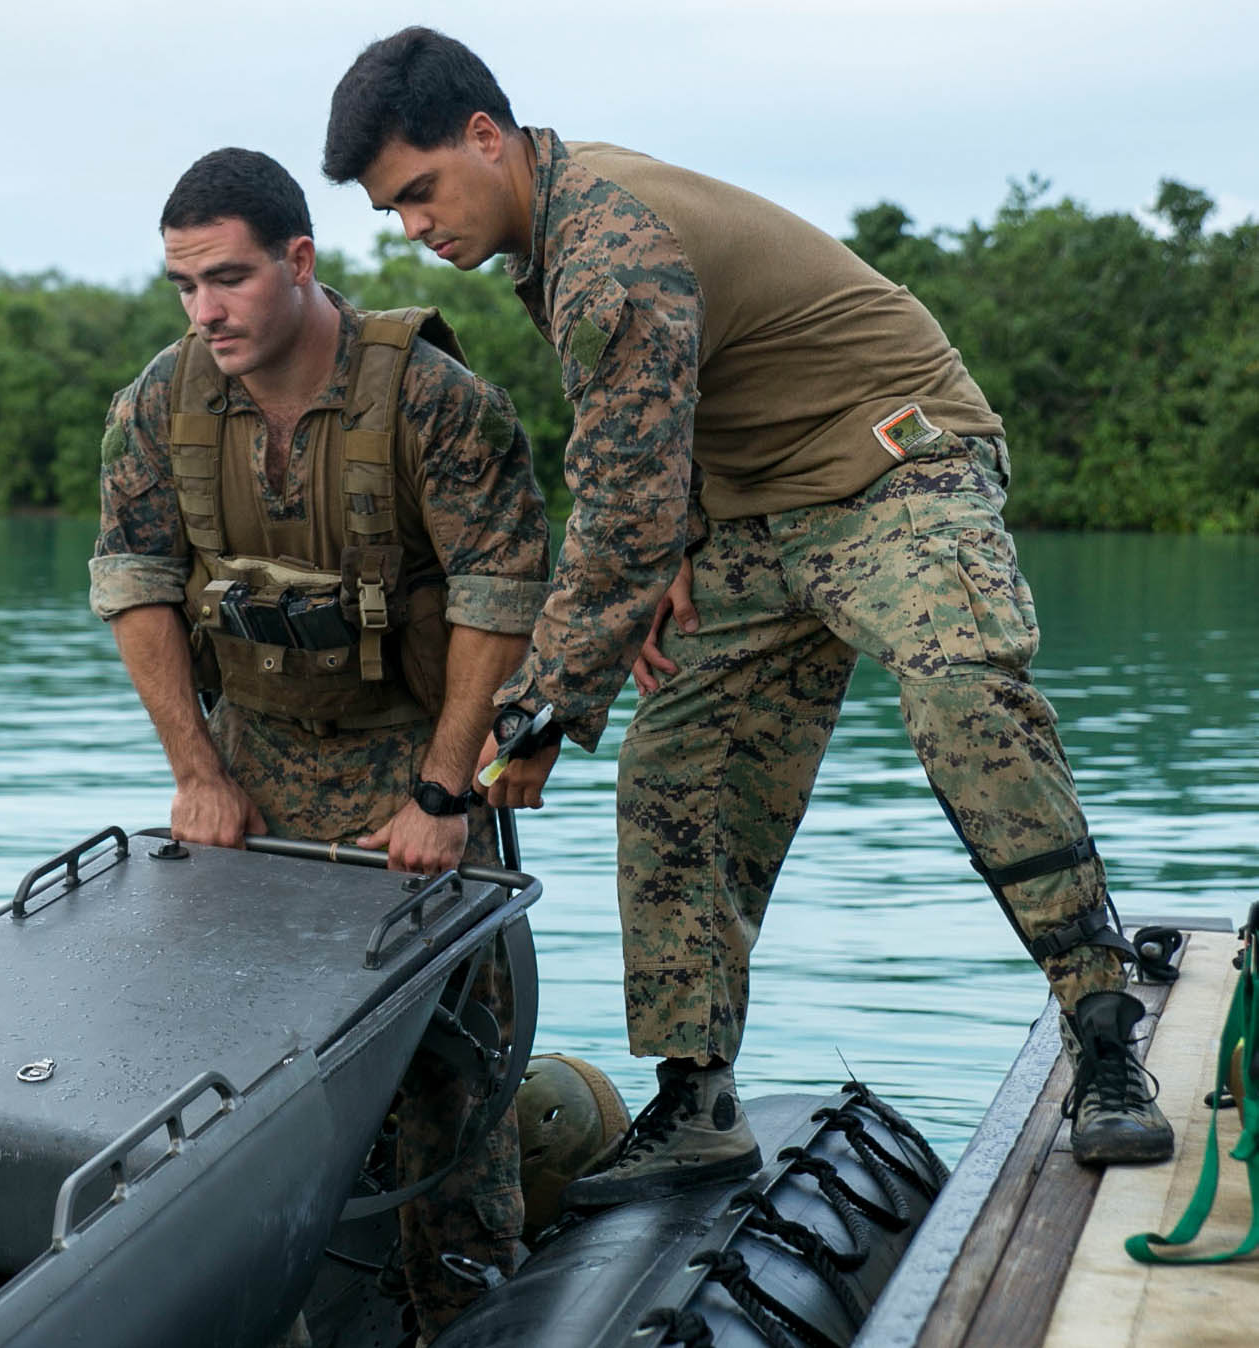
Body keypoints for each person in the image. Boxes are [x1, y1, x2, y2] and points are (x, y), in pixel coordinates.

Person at [320, 27, 1173, 1209]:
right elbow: (652, 460)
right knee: (674, 761)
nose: (414, 225)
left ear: (487, 137)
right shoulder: (550, 233)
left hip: (891, 462)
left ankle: (1105, 1026)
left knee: (958, 684)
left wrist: (534, 720)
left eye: (419, 191)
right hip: (755, 511)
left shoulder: (606, 245)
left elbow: (617, 510)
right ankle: (698, 1099)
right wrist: (688, 533)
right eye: (389, 211)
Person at [90, 147, 551, 1336]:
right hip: (252, 765)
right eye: (185, 286)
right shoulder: (159, 401)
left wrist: (445, 796)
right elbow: (136, 584)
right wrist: (198, 774)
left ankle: (464, 1298)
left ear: (299, 260)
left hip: (415, 760)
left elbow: (503, 595)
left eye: (229, 279)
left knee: (456, 1064)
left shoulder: (438, 400)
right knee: (231, 1050)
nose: (207, 311)